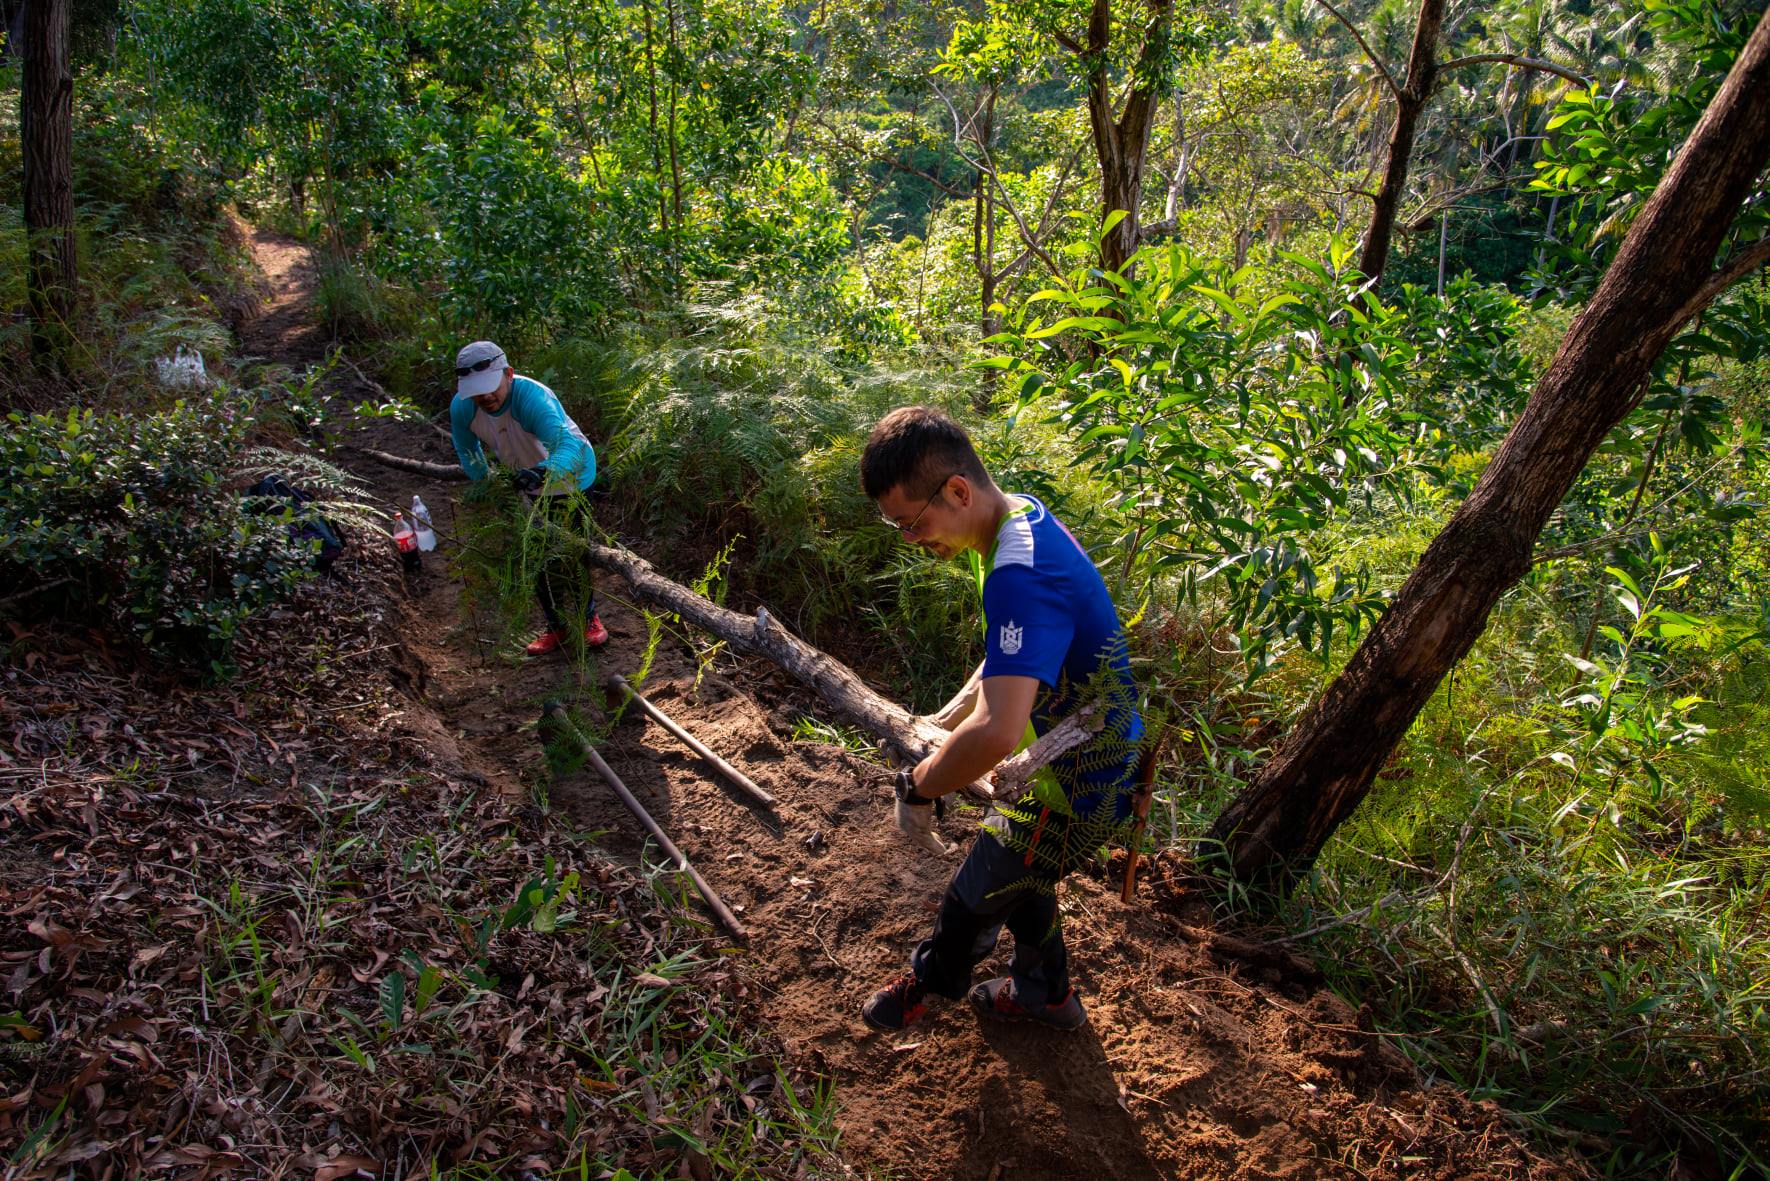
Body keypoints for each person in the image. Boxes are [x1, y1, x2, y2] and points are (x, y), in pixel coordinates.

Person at [858, 405, 1143, 1033]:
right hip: (1068, 756)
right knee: (1023, 877)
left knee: (973, 896)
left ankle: (930, 980)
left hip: (1085, 781)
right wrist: (950, 712)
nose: (909, 539)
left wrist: (919, 786)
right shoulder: (1017, 519)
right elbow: (1009, 656)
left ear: (957, 490)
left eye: (911, 522)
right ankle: (1047, 990)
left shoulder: (1020, 572)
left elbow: (996, 733)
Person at [448, 340, 608, 656]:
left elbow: (569, 447)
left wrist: (543, 471)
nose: (486, 396)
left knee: (570, 551)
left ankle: (588, 619)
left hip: (571, 478)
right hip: (526, 482)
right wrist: (488, 484)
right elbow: (468, 451)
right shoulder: (463, 407)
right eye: (477, 391)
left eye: (491, 387)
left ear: (508, 374)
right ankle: (557, 626)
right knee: (533, 555)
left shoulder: (533, 399)